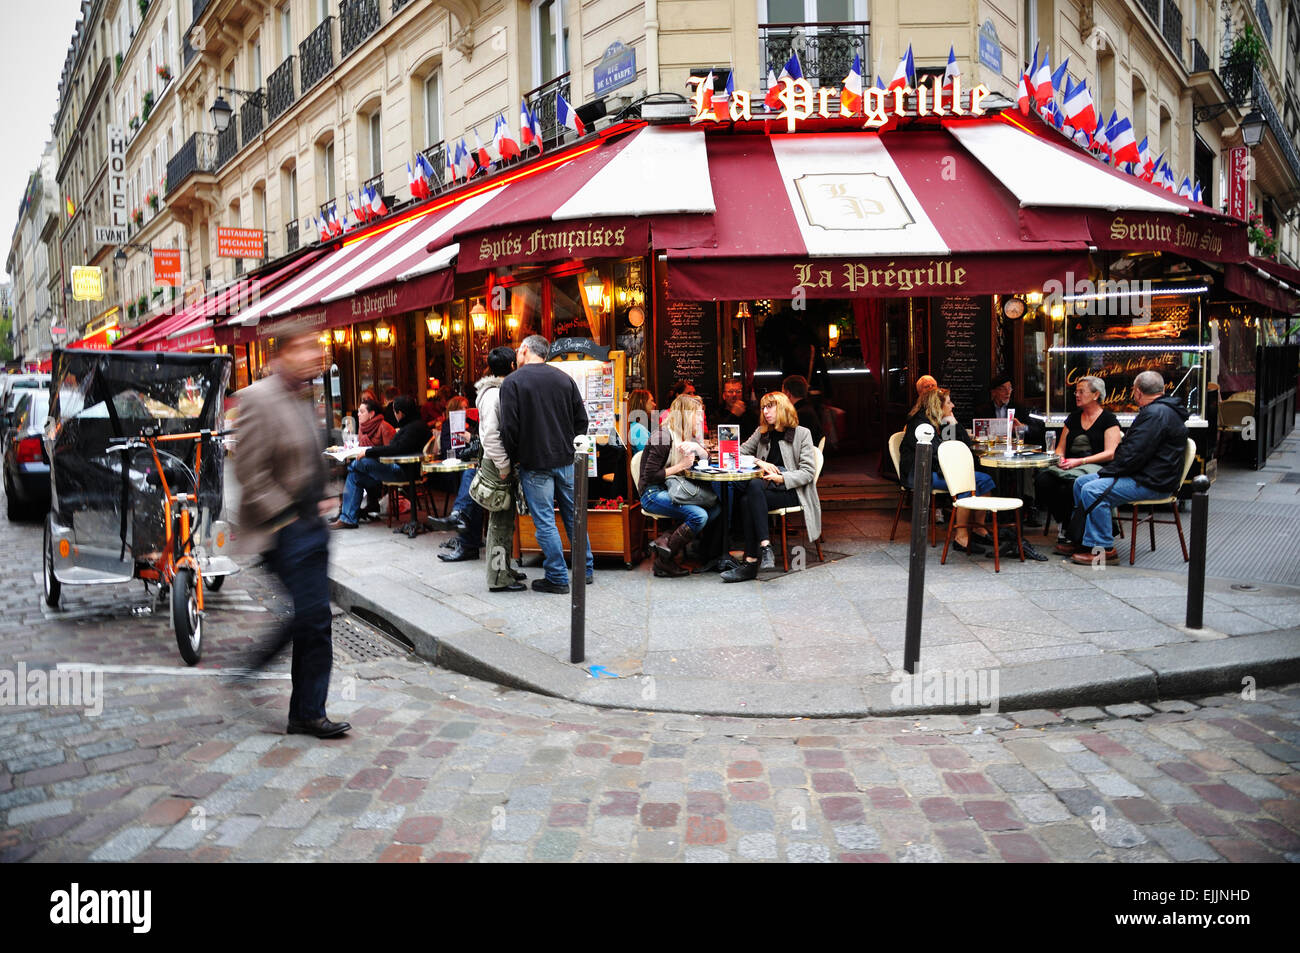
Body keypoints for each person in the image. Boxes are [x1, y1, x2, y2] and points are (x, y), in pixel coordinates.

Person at [233, 325, 350, 739]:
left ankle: (303, 708)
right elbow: (249, 470)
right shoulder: (256, 399)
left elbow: (308, 456)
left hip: (311, 525)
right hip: (282, 529)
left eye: (315, 348)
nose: (313, 356)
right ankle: (305, 709)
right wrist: (287, 516)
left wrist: (325, 494)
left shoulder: (303, 396)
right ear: (279, 355)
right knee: (314, 615)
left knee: (312, 616)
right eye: (303, 349)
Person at [498, 334, 594, 593]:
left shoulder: (512, 383)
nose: (517, 356)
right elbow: (581, 420)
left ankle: (557, 576)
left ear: (525, 350)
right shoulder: (564, 378)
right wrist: (571, 446)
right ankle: (584, 570)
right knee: (574, 516)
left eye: (518, 351)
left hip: (534, 460)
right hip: (566, 459)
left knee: (545, 522)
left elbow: (509, 427)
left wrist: (514, 456)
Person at [1070, 370, 1188, 565]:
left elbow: (1133, 455)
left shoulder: (1155, 414)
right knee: (1081, 482)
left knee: (1092, 489)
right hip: (1150, 475)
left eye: (1133, 390)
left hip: (1151, 482)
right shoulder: (1161, 410)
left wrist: (1108, 472)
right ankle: (1083, 540)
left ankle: (1103, 550)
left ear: (1139, 392)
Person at [721, 392, 821, 582]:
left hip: (791, 491)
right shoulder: (762, 431)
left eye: (770, 407)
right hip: (763, 490)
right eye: (763, 408)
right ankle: (764, 549)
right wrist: (759, 461)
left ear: (782, 408)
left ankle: (751, 563)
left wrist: (780, 477)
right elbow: (734, 453)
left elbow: (808, 472)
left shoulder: (802, 433)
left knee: (749, 494)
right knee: (749, 494)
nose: (765, 411)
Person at [899, 388, 997, 554]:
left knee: (986, 480)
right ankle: (961, 537)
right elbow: (940, 454)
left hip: (939, 469)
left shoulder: (939, 421)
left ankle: (979, 529)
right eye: (949, 402)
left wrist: (953, 423)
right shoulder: (922, 424)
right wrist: (956, 468)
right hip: (922, 474)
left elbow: (961, 446)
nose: (953, 405)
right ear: (938, 405)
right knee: (964, 486)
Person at [1035, 376, 1122, 551]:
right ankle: (1064, 523)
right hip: (1070, 466)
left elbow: (1110, 453)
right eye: (1076, 391)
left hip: (1096, 467)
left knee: (1071, 485)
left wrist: (1080, 461)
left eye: (1081, 391)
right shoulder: (1073, 419)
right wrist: (1060, 458)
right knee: (1042, 480)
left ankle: (1073, 530)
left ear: (1096, 395)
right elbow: (1060, 448)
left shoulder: (1109, 419)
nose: (1077, 395)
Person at [639, 393, 721, 577]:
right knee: (699, 515)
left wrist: (699, 449)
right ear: (685, 415)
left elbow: (706, 457)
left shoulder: (684, 436)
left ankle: (664, 540)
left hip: (672, 488)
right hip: (652, 493)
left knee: (714, 508)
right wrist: (681, 466)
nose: (701, 418)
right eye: (697, 414)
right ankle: (664, 562)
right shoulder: (663, 436)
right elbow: (650, 476)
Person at [329, 396, 431, 529]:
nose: (394, 415)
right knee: (355, 476)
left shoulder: (414, 428)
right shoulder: (414, 425)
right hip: (399, 468)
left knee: (359, 464)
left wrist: (369, 452)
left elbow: (395, 449)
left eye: (395, 411)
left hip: (405, 471)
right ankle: (348, 518)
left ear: (400, 412)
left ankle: (349, 513)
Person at [782, 374, 823, 446]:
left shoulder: (799, 414)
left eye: (782, 393)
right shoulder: (808, 408)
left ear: (788, 394)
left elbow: (789, 444)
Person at [627, 389, 656, 454]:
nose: (654, 404)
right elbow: (650, 455)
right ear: (641, 402)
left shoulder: (633, 425)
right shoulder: (638, 428)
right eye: (652, 401)